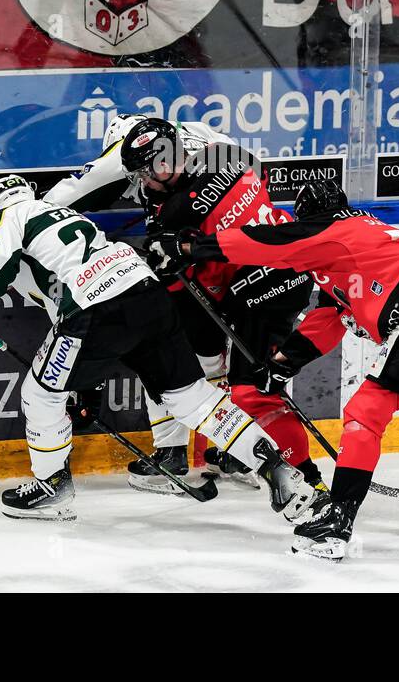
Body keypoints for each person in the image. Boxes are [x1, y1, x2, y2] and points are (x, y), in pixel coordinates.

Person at [152, 179, 399, 561]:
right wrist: (282, 365)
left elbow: (263, 245)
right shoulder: (366, 238)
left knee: (365, 413)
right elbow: (331, 316)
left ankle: (337, 522)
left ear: (307, 219)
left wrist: (190, 247)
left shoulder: (331, 230)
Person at [0, 174, 318, 523]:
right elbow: (65, 318)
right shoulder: (60, 215)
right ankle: (270, 460)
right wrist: (84, 384)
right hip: (147, 291)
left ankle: (51, 487)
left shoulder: (6, 218)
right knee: (191, 397)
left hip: (97, 306)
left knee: (39, 394)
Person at [42, 113, 254, 492]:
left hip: (199, 259)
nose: (134, 178)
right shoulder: (194, 136)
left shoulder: (118, 157)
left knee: (160, 349)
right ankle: (237, 451)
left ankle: (172, 452)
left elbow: (56, 201)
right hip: (240, 255)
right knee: (229, 359)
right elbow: (249, 164)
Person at [121, 118, 325, 492]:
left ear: (162, 168)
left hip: (257, 290)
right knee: (260, 376)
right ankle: (237, 454)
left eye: (143, 176)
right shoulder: (225, 157)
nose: (142, 186)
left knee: (236, 379)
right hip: (293, 267)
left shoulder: (174, 215)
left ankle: (297, 475)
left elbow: (206, 282)